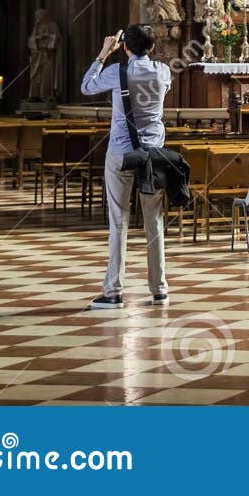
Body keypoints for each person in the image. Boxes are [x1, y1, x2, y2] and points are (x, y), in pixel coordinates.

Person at [80, 24, 173, 309]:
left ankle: (113, 291)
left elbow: (86, 87)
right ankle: (159, 289)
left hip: (121, 152)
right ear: (152, 47)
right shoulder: (163, 71)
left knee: (118, 221)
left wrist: (103, 53)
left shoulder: (115, 72)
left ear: (124, 47)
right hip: (153, 154)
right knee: (154, 221)